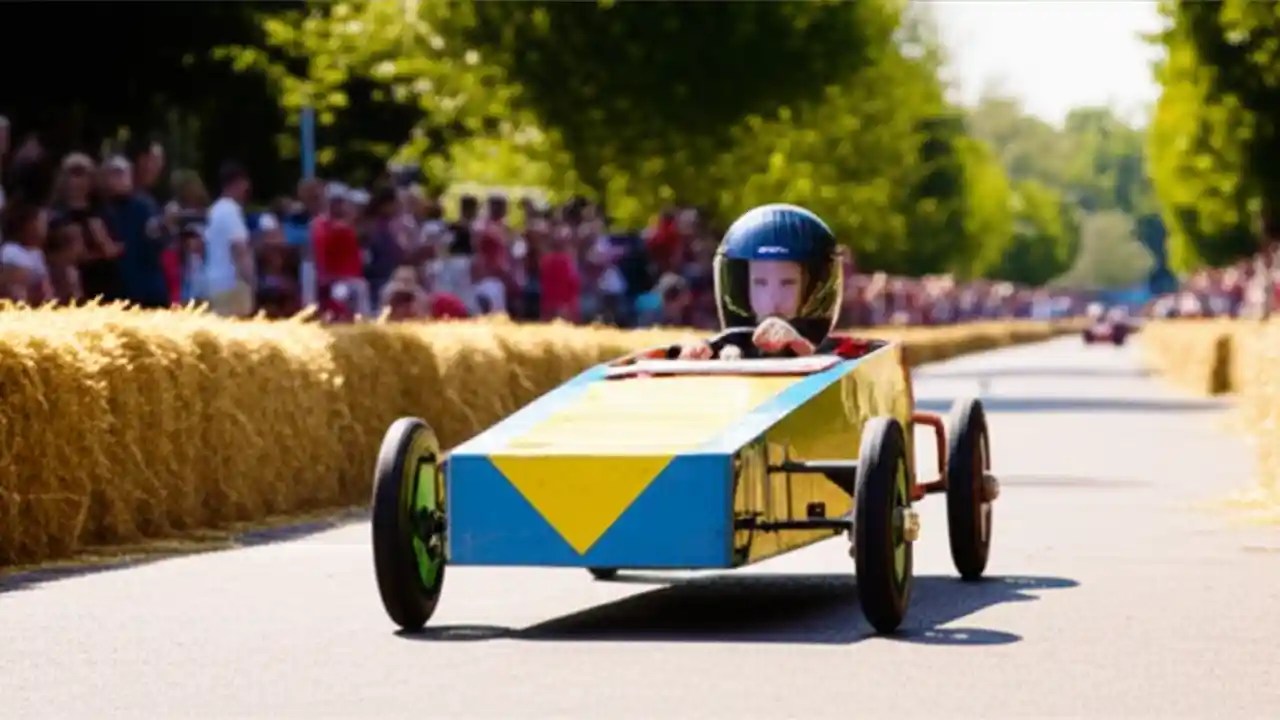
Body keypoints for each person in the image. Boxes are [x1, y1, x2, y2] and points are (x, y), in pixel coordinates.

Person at [671, 203, 847, 360]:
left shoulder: (837, 349)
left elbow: (827, 361)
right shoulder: (731, 343)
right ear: (742, 287)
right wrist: (697, 351)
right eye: (760, 283)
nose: (773, 298)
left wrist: (797, 343)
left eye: (788, 283)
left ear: (811, 289)